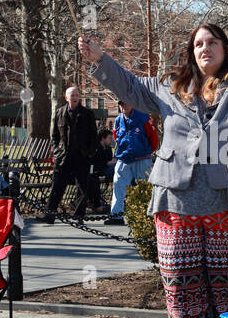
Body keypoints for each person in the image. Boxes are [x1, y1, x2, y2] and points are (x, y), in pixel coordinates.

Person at [79, 10, 228, 318]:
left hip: (227, 197)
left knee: (226, 283)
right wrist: (100, 57)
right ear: (192, 51)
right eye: (198, 43)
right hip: (175, 199)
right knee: (181, 282)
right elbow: (129, 85)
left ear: (224, 48)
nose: (205, 48)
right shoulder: (167, 88)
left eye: (212, 42)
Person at [44, 86, 99, 223]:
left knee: (82, 186)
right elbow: (54, 136)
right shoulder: (59, 113)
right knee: (57, 185)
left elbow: (93, 136)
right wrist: (57, 151)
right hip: (63, 156)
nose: (74, 97)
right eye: (72, 95)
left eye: (76, 95)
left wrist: (89, 153)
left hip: (81, 156)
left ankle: (79, 215)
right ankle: (50, 214)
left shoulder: (87, 114)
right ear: (66, 97)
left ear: (79, 97)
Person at [107, 101, 157, 225]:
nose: (124, 106)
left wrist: (147, 152)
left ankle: (146, 216)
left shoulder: (143, 118)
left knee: (144, 188)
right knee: (118, 187)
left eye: (126, 103)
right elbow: (116, 137)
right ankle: (116, 215)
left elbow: (153, 138)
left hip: (142, 159)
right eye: (121, 104)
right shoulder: (118, 120)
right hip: (124, 159)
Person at [88, 128, 115, 210]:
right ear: (103, 138)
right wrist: (107, 163)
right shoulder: (96, 148)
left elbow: (110, 160)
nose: (111, 140)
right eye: (110, 138)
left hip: (107, 170)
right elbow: (94, 163)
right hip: (98, 171)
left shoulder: (108, 149)